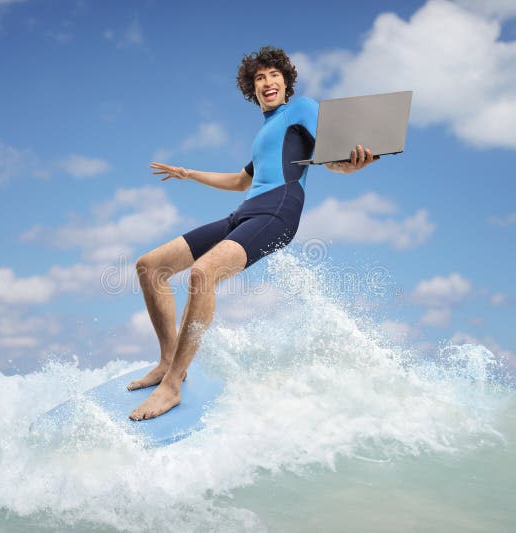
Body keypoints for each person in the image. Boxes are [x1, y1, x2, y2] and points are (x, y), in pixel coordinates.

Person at [128, 46, 378, 420]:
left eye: (274, 75)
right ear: (252, 89)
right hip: (245, 213)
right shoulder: (264, 132)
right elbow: (242, 180)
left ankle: (173, 385)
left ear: (286, 81)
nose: (267, 82)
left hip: (279, 209)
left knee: (202, 273)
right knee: (150, 266)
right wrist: (188, 173)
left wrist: (353, 166)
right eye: (259, 78)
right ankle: (167, 361)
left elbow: (333, 160)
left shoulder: (303, 109)